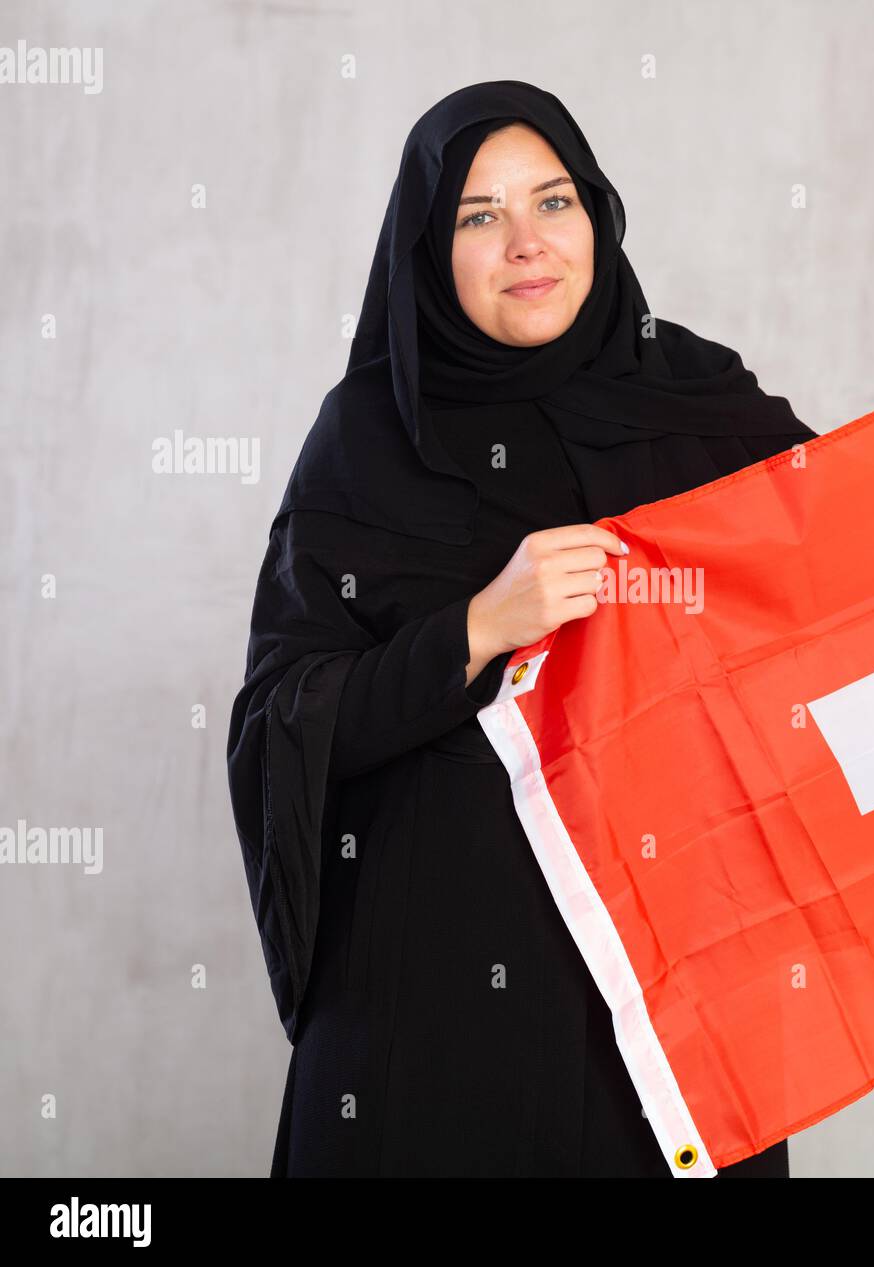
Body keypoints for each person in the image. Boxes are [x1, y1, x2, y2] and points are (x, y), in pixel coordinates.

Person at [226, 79, 821, 1177]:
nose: (525, 244)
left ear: (597, 213)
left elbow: (872, 548)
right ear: (428, 249)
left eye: (552, 202)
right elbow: (285, 723)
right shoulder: (369, 437)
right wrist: (476, 627)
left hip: (663, 1010)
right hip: (423, 1010)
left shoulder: (695, 401)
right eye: (478, 216)